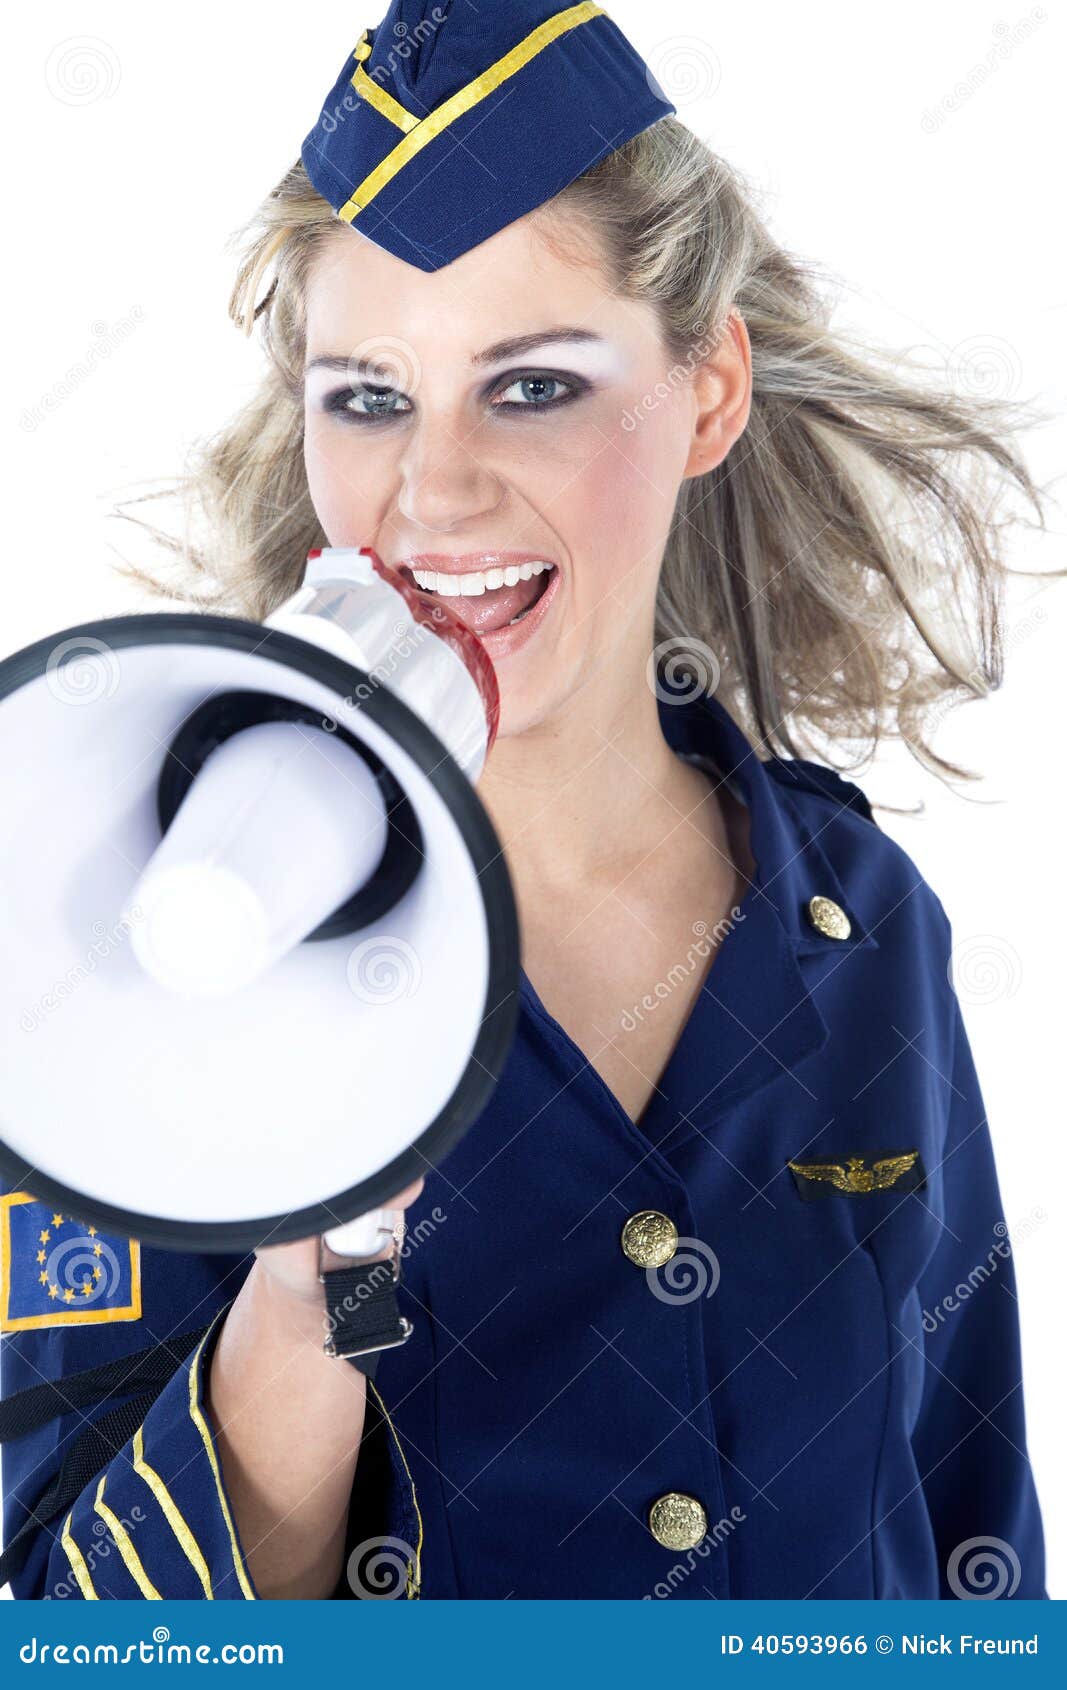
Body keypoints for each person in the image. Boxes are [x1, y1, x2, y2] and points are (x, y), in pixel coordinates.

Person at [1, 0, 1049, 1600]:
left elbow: (970, 1537)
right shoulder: (130, 941)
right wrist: (319, 1285)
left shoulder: (859, 918)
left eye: (535, 386)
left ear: (709, 390)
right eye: (368, 396)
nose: (433, 489)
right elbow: (94, 1630)